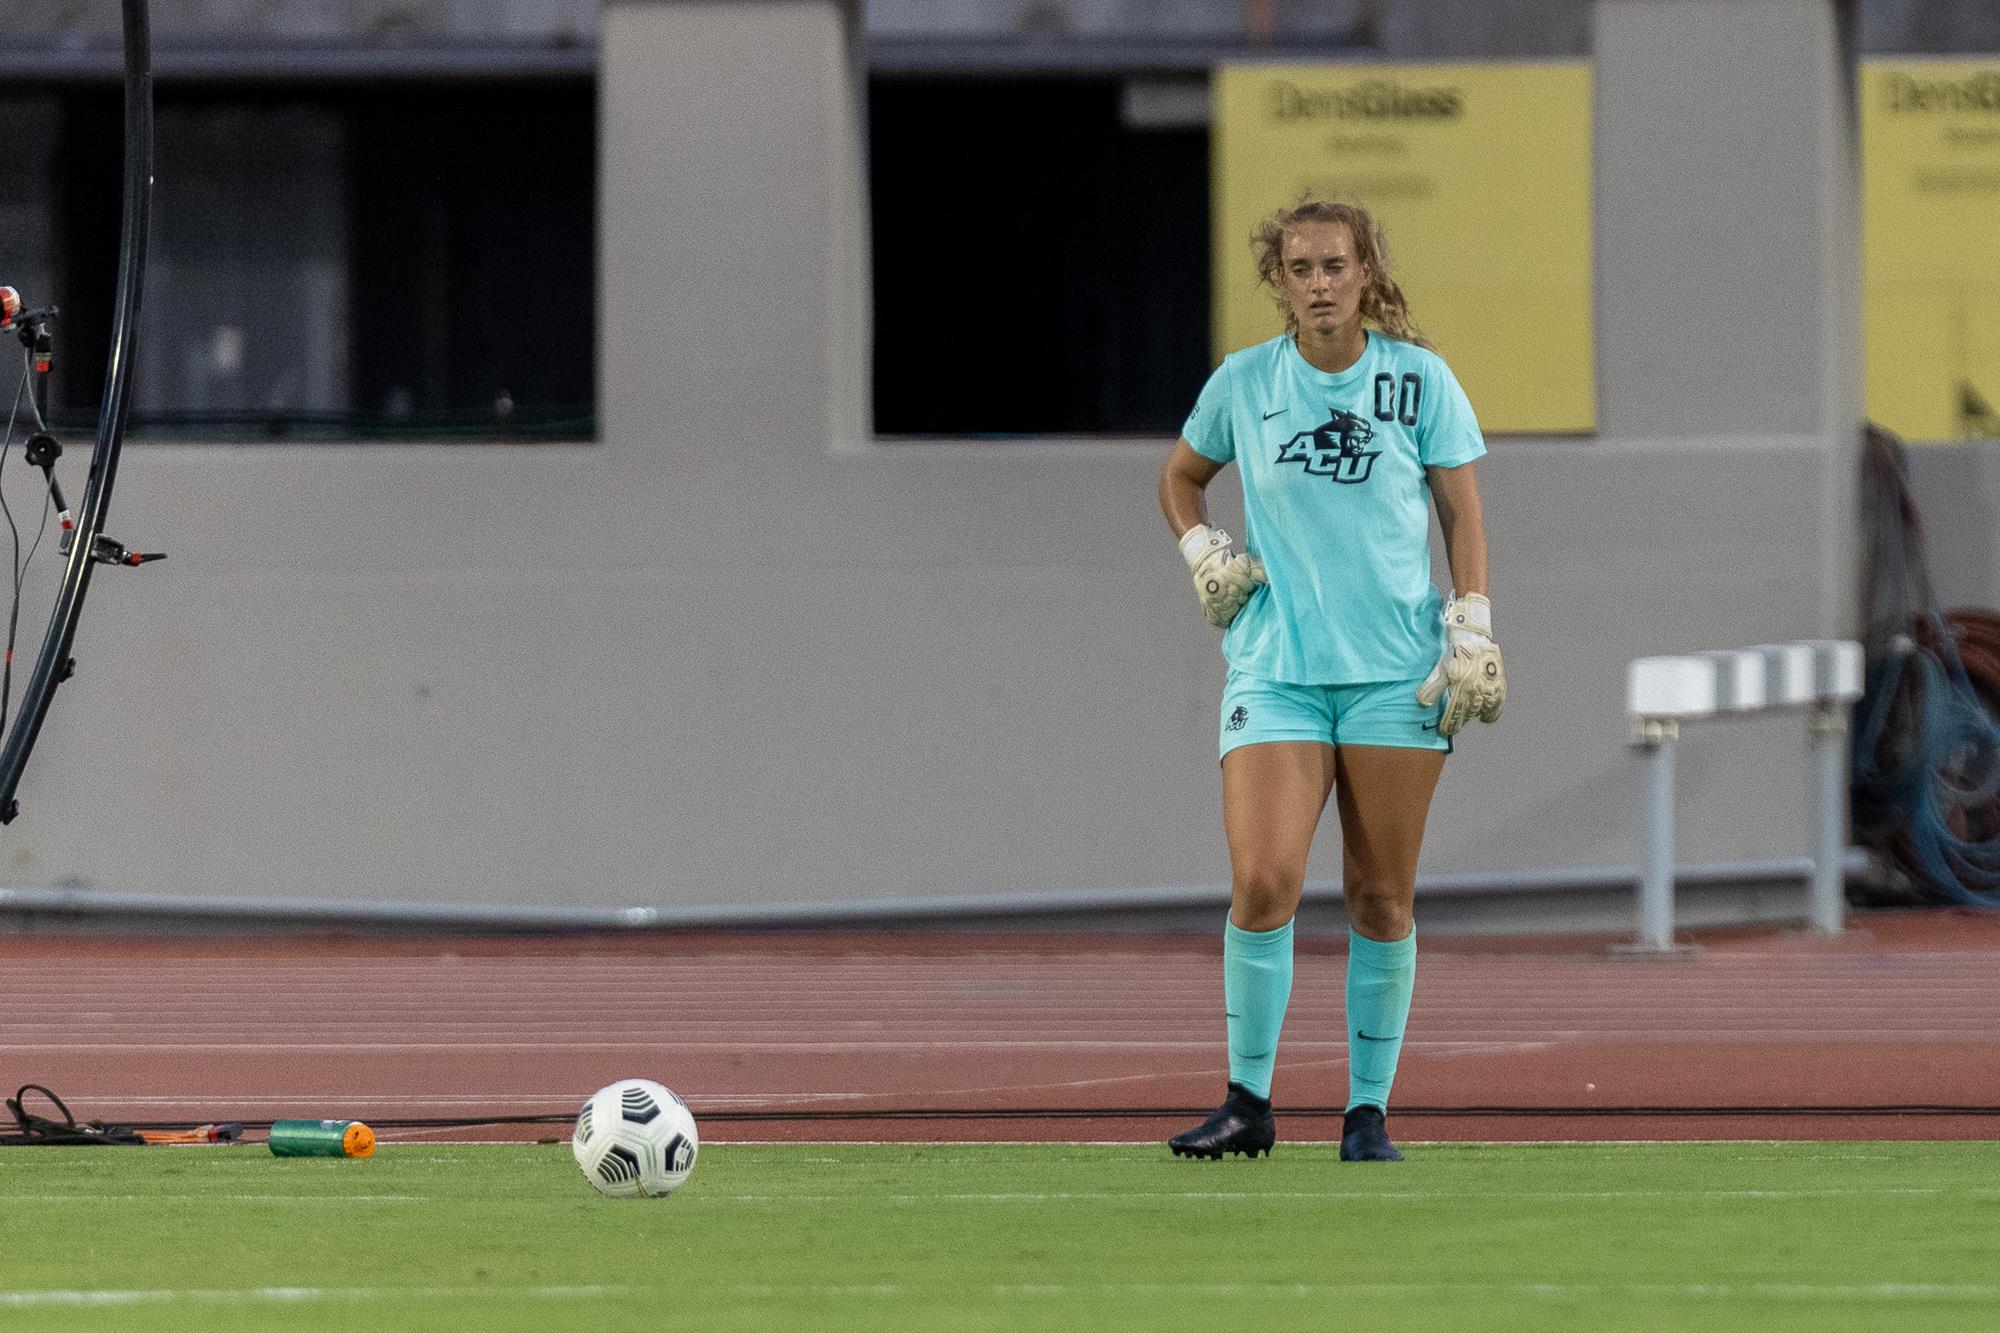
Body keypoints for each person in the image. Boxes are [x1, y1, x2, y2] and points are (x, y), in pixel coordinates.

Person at [1157, 198, 1504, 1163]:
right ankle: (1248, 1102)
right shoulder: (1245, 383)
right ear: (1280, 280)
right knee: (1263, 879)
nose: (1318, 283)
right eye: (1300, 267)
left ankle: (1366, 1113)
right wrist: (1201, 548)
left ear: (1364, 274)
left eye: (1334, 266)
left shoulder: (1418, 381)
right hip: (1279, 670)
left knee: (1380, 897)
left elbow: (1461, 511)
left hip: (1396, 673)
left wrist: (1470, 616)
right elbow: (1179, 476)